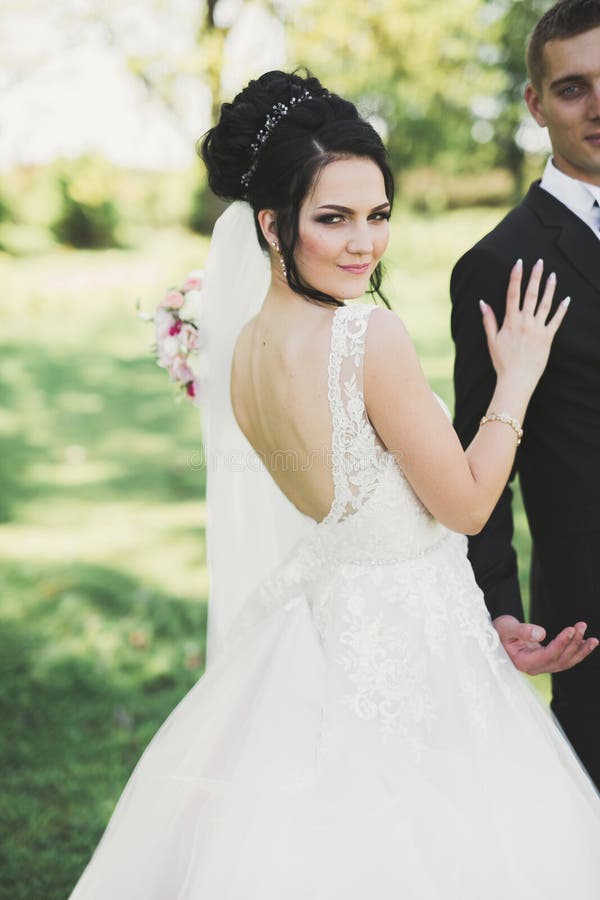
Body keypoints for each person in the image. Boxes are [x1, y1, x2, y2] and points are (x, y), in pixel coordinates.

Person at [69, 70, 600, 899]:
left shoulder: (242, 349)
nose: (364, 244)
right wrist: (519, 377)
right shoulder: (365, 335)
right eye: (334, 219)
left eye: (378, 215)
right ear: (274, 224)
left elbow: (350, 511)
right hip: (402, 651)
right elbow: (463, 505)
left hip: (329, 630)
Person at [451, 0, 600, 789]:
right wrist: (501, 610)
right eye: (575, 88)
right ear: (536, 104)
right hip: (593, 618)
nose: (599, 106)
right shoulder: (501, 263)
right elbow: (479, 458)